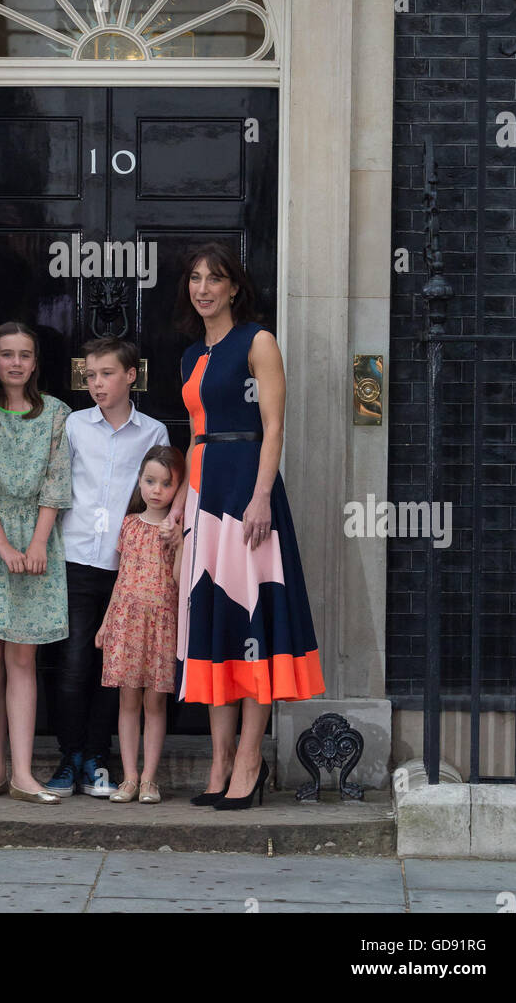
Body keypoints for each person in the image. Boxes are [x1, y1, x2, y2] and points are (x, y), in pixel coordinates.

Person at [169, 242, 325, 810]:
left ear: (235, 287)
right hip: (204, 499)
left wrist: (261, 497)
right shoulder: (189, 357)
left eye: (215, 279)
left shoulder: (258, 341)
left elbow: (275, 426)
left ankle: (249, 760)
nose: (203, 288)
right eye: (195, 278)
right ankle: (218, 761)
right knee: (215, 622)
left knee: (251, 615)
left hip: (248, 496)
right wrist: (185, 499)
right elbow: (193, 433)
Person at [46, 337, 169, 798]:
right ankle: (69, 756)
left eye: (107, 374)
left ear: (131, 375)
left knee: (113, 671)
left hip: (129, 569)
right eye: (90, 375)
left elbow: (163, 495)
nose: (97, 384)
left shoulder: (153, 432)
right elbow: (57, 486)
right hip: (76, 558)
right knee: (74, 663)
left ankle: (98, 757)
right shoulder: (74, 425)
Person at [0, 322, 71, 805]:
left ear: (36, 362)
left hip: (40, 539)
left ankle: (24, 773)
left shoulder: (57, 415)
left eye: (25, 355)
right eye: (7, 354)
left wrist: (39, 541)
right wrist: (2, 545)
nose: (16, 363)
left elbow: (56, 480)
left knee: (23, 655)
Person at [95, 445, 185, 804]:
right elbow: (122, 578)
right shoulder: (129, 525)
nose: (156, 490)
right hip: (126, 623)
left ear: (177, 488)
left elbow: (179, 579)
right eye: (150, 481)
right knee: (127, 702)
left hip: (161, 624)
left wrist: (179, 542)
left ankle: (150, 779)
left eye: (166, 483)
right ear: (140, 481)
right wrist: (105, 624)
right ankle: (129, 777)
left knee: (155, 704)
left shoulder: (175, 531)